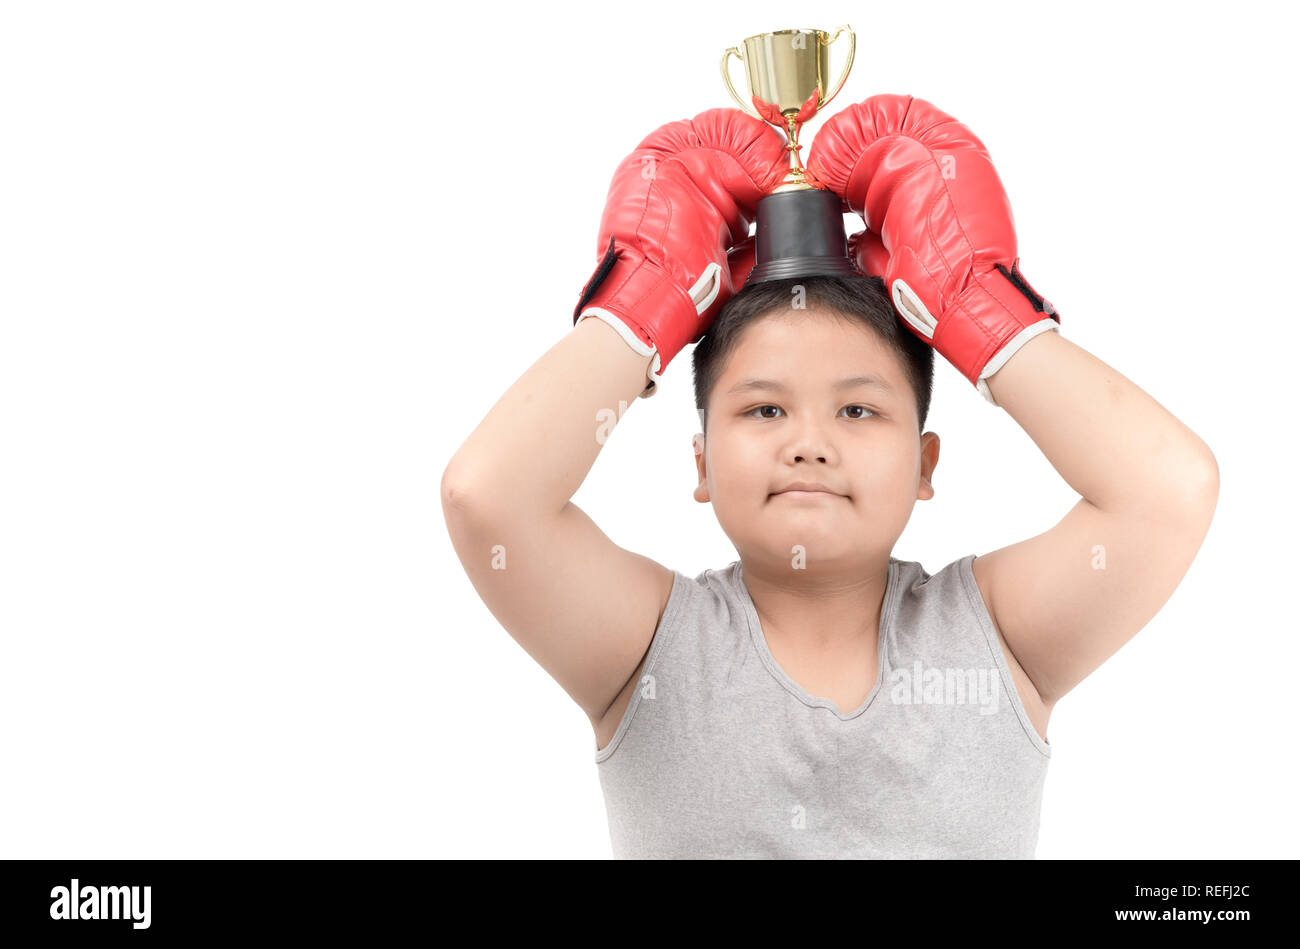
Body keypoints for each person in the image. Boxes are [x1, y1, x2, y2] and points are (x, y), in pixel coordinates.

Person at [441, 96, 1220, 858]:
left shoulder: (998, 639)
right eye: (764, 411)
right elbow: (489, 498)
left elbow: (1169, 490)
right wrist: (639, 296)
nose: (809, 444)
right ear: (702, 463)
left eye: (857, 411)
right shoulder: (648, 648)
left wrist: (979, 306)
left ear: (924, 463)